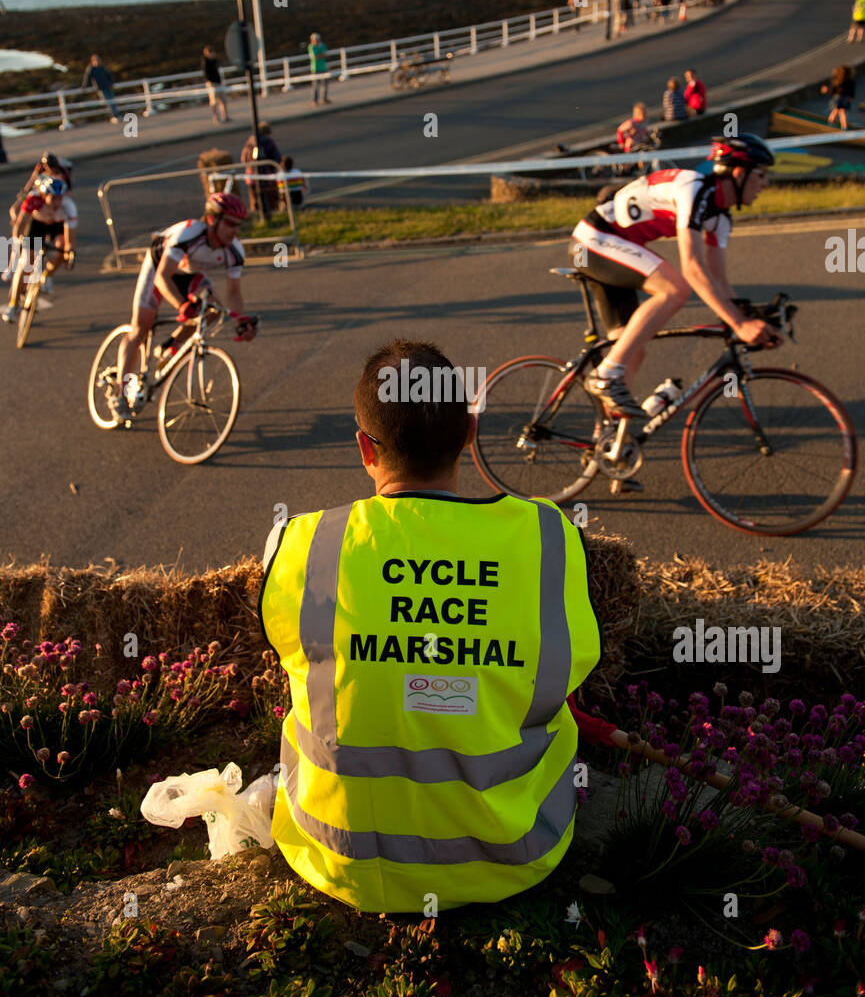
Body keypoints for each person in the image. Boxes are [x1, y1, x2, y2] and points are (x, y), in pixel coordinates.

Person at [258, 337, 602, 914]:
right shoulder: (550, 537)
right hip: (514, 854)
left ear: (366, 448)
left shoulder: (302, 543)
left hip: (337, 858)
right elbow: (567, 674)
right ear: (470, 432)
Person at [573, 134, 779, 421]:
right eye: (762, 175)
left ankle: (603, 440)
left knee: (631, 350)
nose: (766, 184)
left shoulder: (720, 217)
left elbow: (718, 280)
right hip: (594, 241)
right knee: (675, 289)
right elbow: (693, 268)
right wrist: (738, 323)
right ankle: (605, 375)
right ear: (739, 173)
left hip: (615, 248)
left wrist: (750, 321)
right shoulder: (694, 190)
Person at [108, 192, 257, 423]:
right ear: (211, 220)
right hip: (161, 268)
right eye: (229, 223)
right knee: (140, 328)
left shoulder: (235, 250)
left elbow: (234, 292)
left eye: (239, 225)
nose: (235, 231)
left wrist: (241, 321)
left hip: (189, 273)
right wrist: (182, 305)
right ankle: (119, 393)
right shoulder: (189, 233)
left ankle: (170, 347)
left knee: (212, 310)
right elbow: (162, 278)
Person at [2, 156, 77, 322]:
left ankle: (47, 274)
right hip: (38, 224)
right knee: (27, 261)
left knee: (62, 250)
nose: (57, 202)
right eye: (53, 198)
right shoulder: (34, 198)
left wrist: (69, 253)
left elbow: (70, 239)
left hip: (57, 225)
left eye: (60, 198)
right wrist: (19, 241)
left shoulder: (68, 206)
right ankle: (13, 304)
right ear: (44, 195)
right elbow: (21, 224)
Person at [241, 121, 281, 221]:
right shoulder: (268, 142)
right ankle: (272, 214)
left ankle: (256, 215)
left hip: (251, 176)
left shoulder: (249, 142)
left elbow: (244, 159)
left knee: (255, 197)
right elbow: (276, 158)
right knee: (270, 197)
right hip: (267, 176)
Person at [81, 54, 119, 123]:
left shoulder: (102, 67)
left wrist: (111, 83)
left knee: (112, 101)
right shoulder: (91, 69)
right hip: (100, 88)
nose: (98, 62)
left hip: (108, 86)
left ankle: (116, 115)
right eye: (96, 60)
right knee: (108, 102)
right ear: (93, 61)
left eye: (99, 60)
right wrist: (84, 86)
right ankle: (113, 116)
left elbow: (109, 76)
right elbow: (87, 78)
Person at [201, 46, 230, 125]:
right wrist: (211, 81)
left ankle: (225, 116)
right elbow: (206, 74)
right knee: (214, 101)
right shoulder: (206, 62)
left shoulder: (215, 61)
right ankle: (215, 117)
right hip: (212, 83)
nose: (212, 54)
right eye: (210, 52)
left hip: (218, 82)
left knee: (223, 100)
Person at [307, 32, 330, 104]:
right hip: (315, 68)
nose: (316, 41)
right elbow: (315, 57)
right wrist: (321, 55)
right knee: (316, 85)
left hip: (323, 67)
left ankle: (324, 99)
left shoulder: (322, 45)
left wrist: (319, 55)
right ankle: (315, 100)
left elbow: (325, 55)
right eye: (314, 39)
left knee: (325, 84)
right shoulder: (311, 46)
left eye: (317, 39)